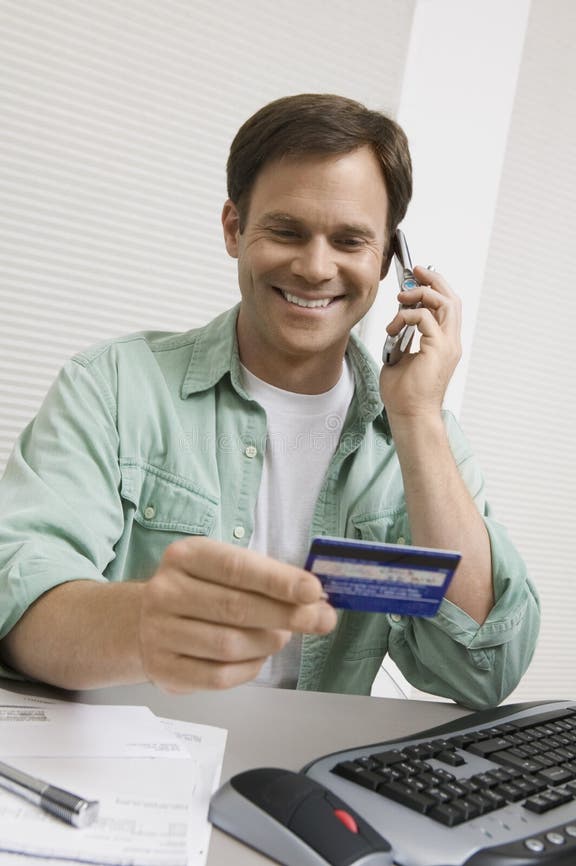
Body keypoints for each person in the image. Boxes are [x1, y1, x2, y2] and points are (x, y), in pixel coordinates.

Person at [0, 94, 539, 708]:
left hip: (304, 784)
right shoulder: (113, 386)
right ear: (234, 228)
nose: (315, 267)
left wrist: (417, 418)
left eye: (349, 240)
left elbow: (482, 672)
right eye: (286, 231)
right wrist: (146, 623)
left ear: (389, 259)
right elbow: (17, 603)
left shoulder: (422, 440)